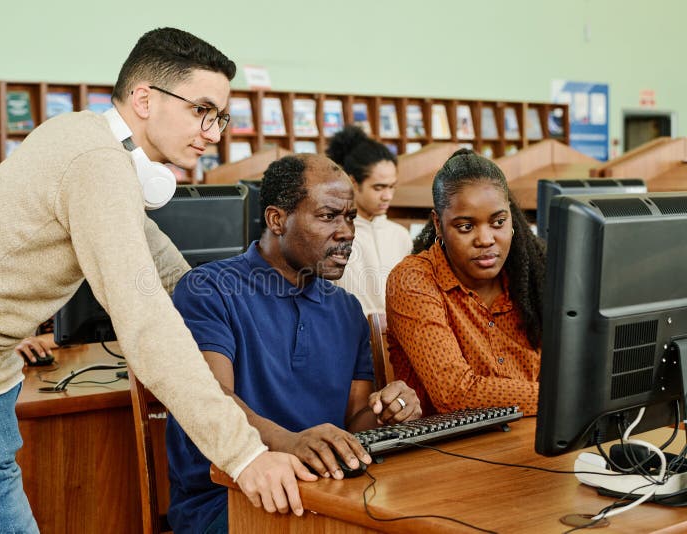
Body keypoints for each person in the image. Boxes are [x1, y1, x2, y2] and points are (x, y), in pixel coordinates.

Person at [0, 28, 311, 532]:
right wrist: (244, 455)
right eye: (201, 110)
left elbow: (162, 262)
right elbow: (144, 321)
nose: (213, 132)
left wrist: (230, 308)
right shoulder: (97, 165)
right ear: (145, 99)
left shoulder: (86, 138)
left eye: (219, 116)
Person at [166, 153, 422, 533]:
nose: (347, 231)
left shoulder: (345, 308)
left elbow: (355, 423)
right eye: (328, 216)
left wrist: (387, 410)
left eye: (349, 217)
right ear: (277, 220)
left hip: (326, 491)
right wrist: (288, 442)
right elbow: (211, 397)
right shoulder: (210, 289)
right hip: (230, 496)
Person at [385, 149, 545, 416]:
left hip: (528, 440)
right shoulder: (412, 280)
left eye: (498, 222)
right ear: (438, 224)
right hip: (445, 452)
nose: (485, 239)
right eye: (466, 227)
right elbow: (455, 393)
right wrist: (560, 400)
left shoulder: (531, 279)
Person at [326, 125, 412, 316]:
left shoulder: (401, 235)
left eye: (392, 187)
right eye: (379, 187)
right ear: (353, 182)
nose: (387, 196)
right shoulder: (332, 234)